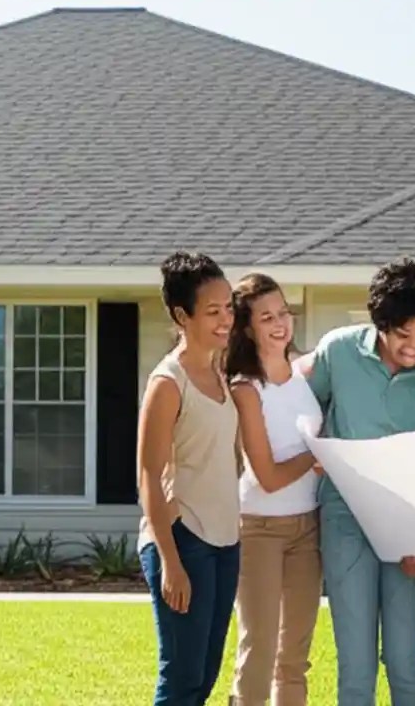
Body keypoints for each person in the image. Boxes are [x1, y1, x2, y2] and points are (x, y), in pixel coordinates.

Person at [297, 256, 415, 706]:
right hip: (345, 515)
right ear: (380, 325)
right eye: (404, 335)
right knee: (356, 662)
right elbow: (299, 404)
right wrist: (313, 448)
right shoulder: (339, 351)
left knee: (405, 658)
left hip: (407, 522)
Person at [137, 250, 241, 706]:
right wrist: (170, 561)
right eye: (213, 311)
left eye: (229, 308)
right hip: (183, 539)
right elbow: (148, 475)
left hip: (225, 540)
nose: (226, 319)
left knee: (205, 675)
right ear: (183, 316)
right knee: (182, 678)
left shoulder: (220, 372)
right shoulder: (168, 383)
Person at [223, 273, 325, 706]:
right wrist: (318, 455)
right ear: (247, 328)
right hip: (259, 528)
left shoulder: (305, 373)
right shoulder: (245, 389)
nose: (281, 323)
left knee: (294, 657)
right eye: (267, 317)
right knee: (259, 649)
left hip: (308, 526)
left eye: (283, 312)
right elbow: (265, 475)